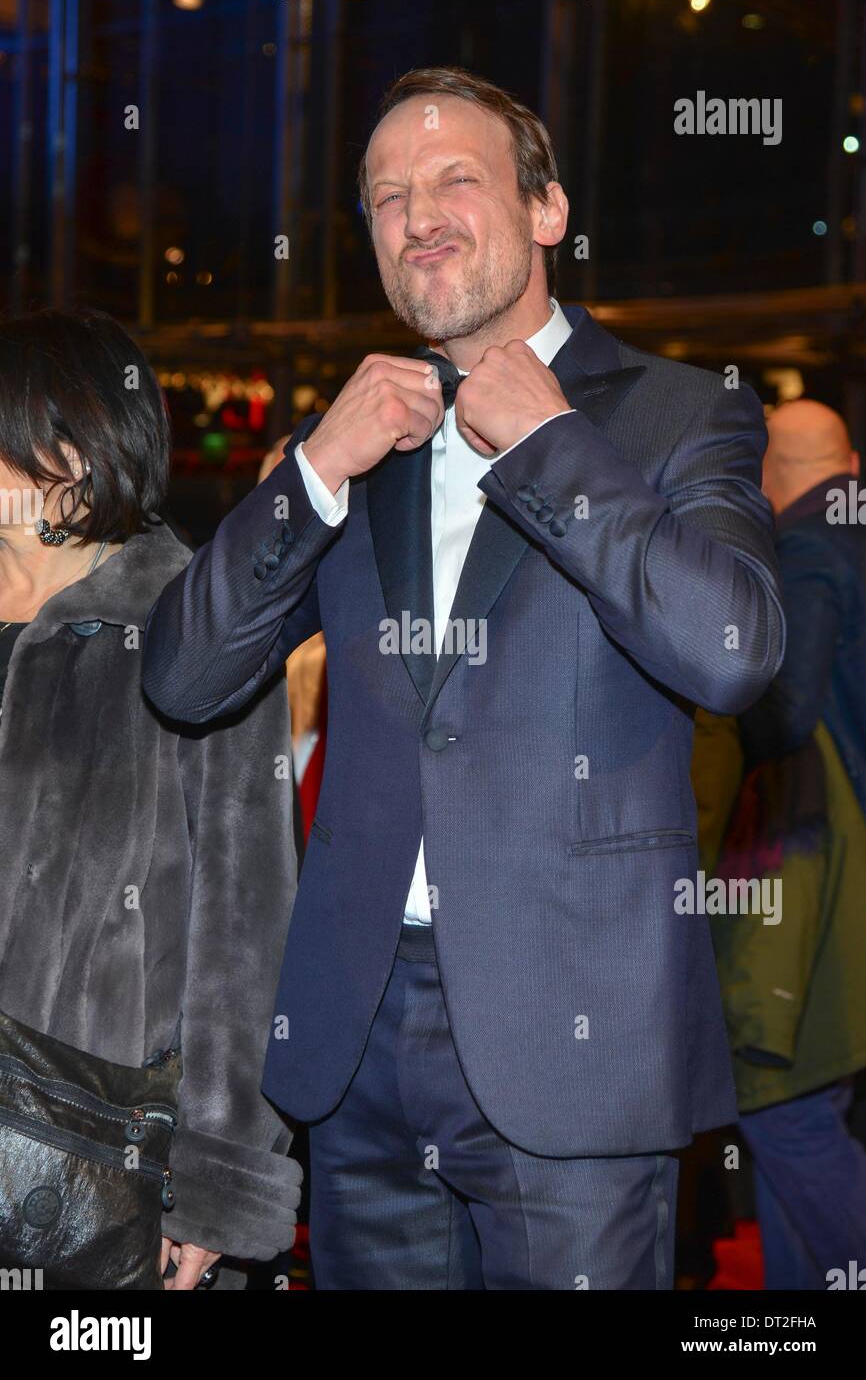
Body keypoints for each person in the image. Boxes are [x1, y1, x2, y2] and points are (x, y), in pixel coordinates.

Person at [142, 67, 785, 1290]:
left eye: (453, 180)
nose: (417, 213)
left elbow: (735, 651)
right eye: (387, 196)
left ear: (545, 212)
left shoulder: (676, 415)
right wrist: (317, 466)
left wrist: (551, 442)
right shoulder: (356, 436)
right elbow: (182, 672)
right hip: (353, 1038)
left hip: (575, 1040)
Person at [0, 309, 301, 1289]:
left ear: (70, 458)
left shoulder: (185, 623)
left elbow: (244, 931)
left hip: (94, 1165)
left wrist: (213, 1186)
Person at [731, 398, 866, 1288]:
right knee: (809, 1092)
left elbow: (783, 722)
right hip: (840, 864)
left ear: (771, 477)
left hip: (821, 863)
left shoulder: (810, 548)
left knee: (786, 1104)